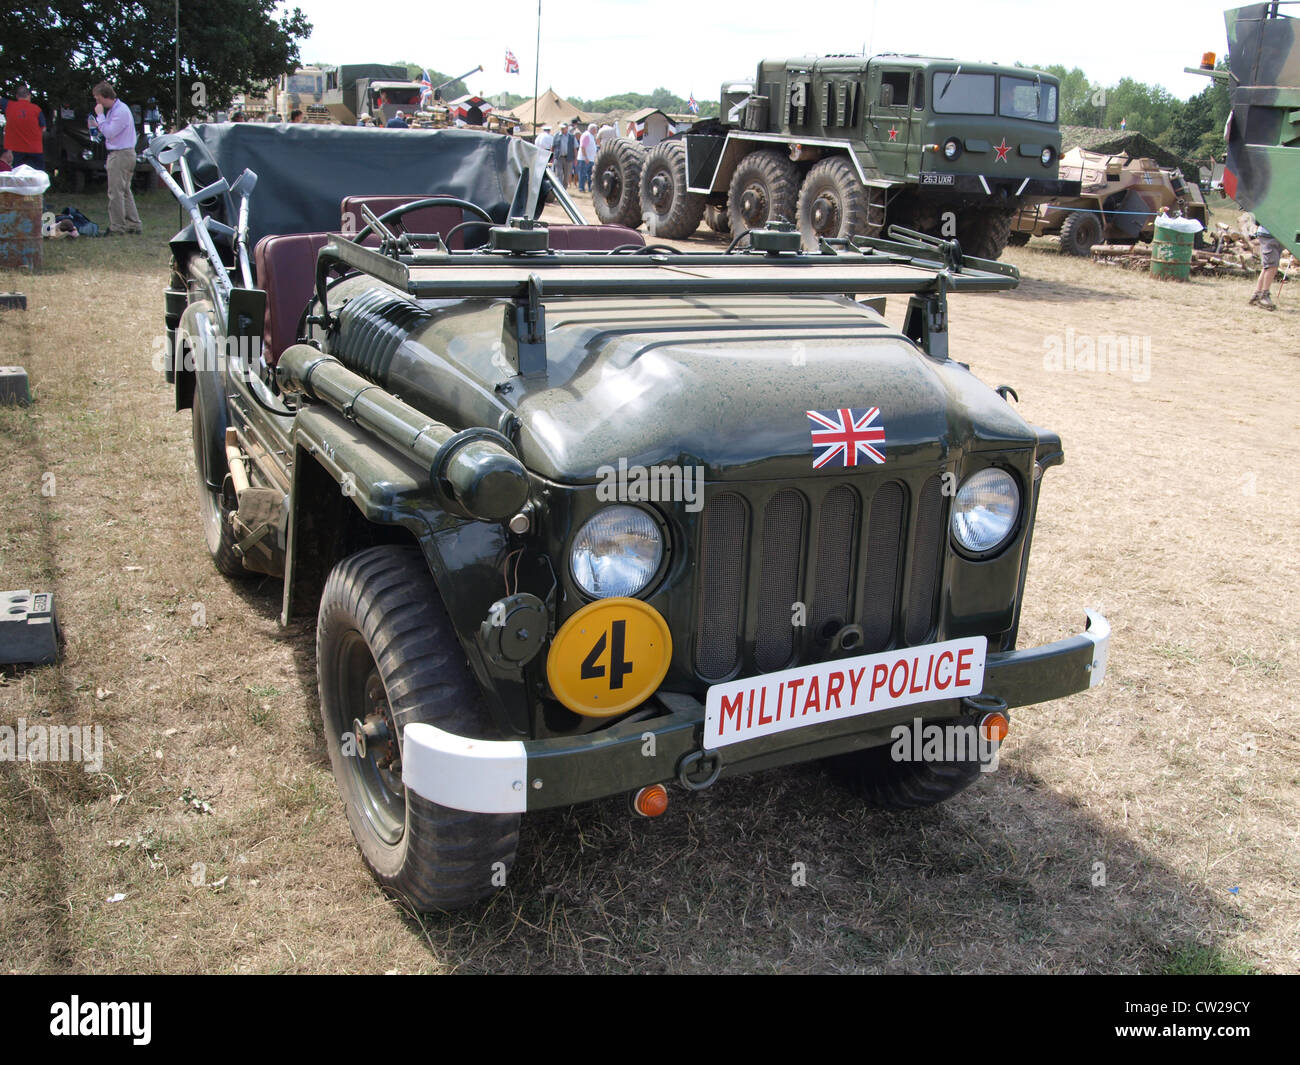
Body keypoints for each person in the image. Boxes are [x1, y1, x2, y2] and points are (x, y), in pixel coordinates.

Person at [91, 81, 141, 236]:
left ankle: (117, 226)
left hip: (120, 154)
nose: (97, 103)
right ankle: (133, 224)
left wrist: (99, 116)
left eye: (98, 99)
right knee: (125, 190)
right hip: (124, 153)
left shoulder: (120, 111)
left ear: (106, 97)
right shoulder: (116, 110)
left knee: (115, 192)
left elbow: (109, 132)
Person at [1, 86, 47, 171]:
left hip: (15, 149)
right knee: (38, 176)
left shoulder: (8, 106)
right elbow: (43, 128)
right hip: (35, 149)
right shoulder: (37, 109)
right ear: (29, 96)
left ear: (17, 96)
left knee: (16, 176)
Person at [1250, 221, 1283, 311]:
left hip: (1276, 234)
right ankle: (1264, 296)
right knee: (1272, 266)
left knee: (1267, 267)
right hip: (1269, 234)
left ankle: (1257, 294)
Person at [578, 123, 598, 192]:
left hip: (591, 159)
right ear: (593, 129)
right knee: (583, 175)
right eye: (596, 129)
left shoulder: (591, 136)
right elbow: (583, 147)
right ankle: (581, 188)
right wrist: (585, 157)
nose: (596, 131)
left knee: (590, 175)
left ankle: (590, 188)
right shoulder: (586, 135)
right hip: (585, 159)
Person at [554, 123, 574, 188]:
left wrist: (575, 159)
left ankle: (564, 189)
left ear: (567, 128)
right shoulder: (556, 135)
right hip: (559, 158)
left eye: (563, 128)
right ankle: (559, 188)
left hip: (568, 158)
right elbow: (553, 146)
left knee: (566, 175)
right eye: (561, 128)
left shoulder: (571, 137)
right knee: (559, 174)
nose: (562, 129)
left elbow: (575, 148)